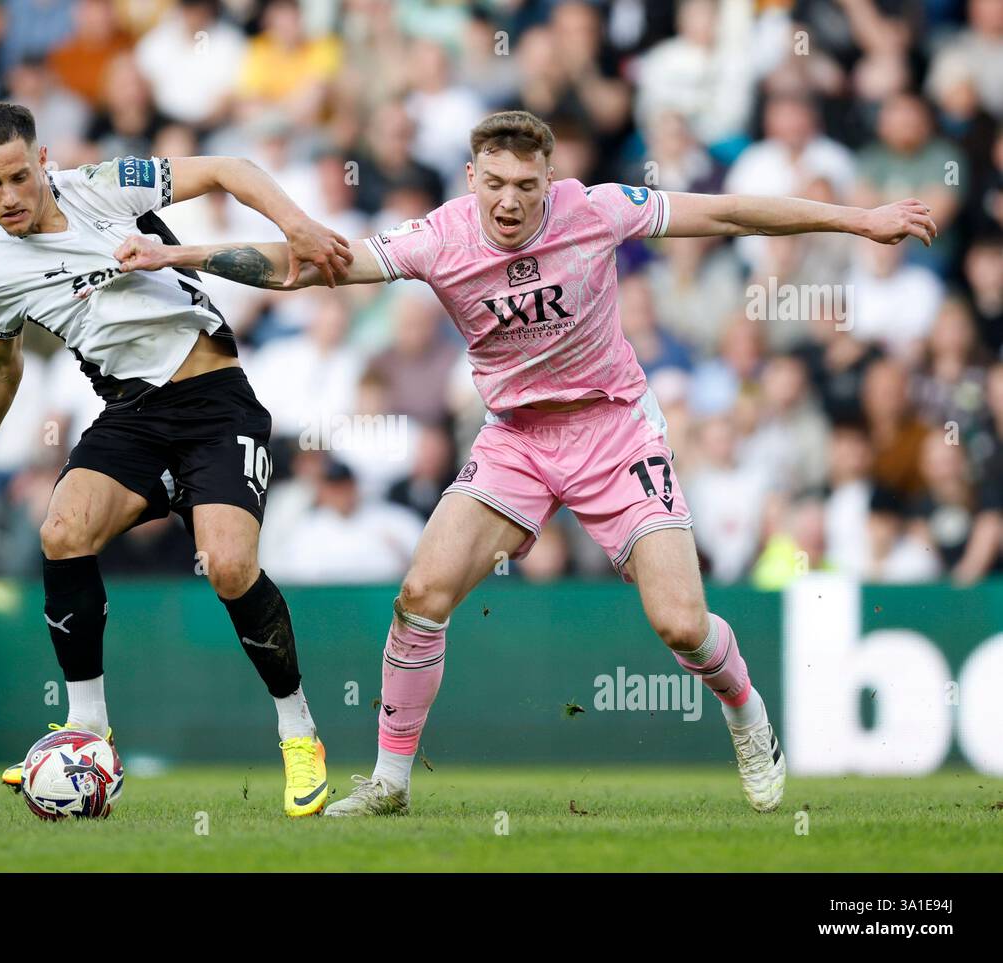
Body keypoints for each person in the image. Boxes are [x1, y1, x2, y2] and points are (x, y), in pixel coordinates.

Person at [115, 109, 938, 815]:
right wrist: (179, 256)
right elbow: (312, 266)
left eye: (528, 186)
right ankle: (392, 779)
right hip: (516, 439)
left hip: (615, 429)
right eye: (495, 183)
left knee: (682, 624)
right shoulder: (439, 236)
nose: (510, 201)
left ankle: (747, 713)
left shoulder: (600, 209)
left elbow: (726, 215)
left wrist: (857, 219)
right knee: (421, 593)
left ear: (552, 181)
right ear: (472, 176)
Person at [0, 103, 353, 817]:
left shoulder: (106, 184)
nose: (7, 197)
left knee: (228, 566)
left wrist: (298, 226)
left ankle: (298, 730)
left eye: (17, 176)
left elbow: (231, 167)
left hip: (217, 403)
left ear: (42, 163)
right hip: (132, 417)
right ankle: (88, 733)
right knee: (61, 531)